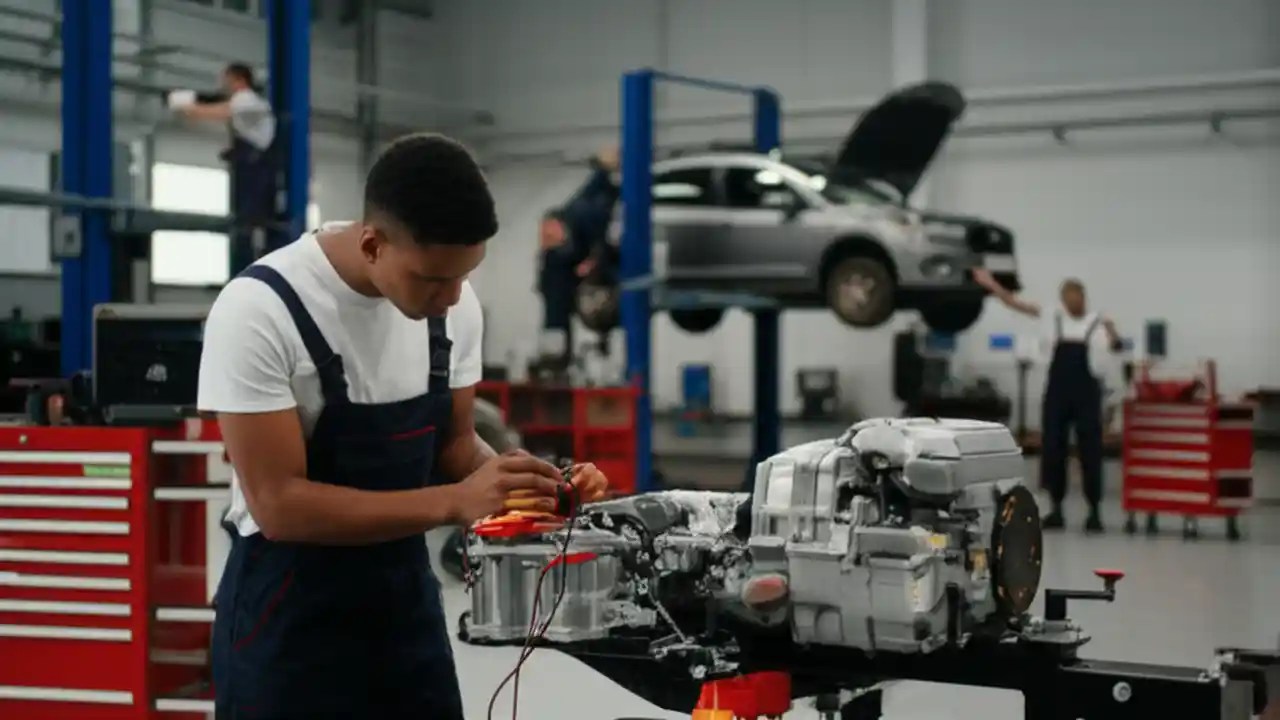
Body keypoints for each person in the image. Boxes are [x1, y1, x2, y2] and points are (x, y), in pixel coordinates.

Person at [197, 133, 609, 719]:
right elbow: (278, 504)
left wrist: (536, 487)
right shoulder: (260, 310)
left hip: (404, 607)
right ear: (372, 244)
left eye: (465, 277)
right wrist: (454, 503)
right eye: (433, 280)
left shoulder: (450, 305)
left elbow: (456, 447)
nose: (452, 298)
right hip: (287, 618)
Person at [972, 268, 1121, 533]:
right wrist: (991, 284)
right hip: (1058, 392)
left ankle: (1094, 512)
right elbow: (1015, 303)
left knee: (1090, 451)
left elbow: (1116, 346)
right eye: (1070, 299)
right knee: (1053, 449)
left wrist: (1113, 333)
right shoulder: (1053, 316)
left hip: (1087, 393)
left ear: (1084, 299)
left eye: (1079, 299)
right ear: (1064, 300)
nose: (1075, 303)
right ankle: (1056, 509)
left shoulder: (1099, 321)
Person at [169, 62, 280, 275]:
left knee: (250, 221)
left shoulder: (247, 99)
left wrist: (186, 106)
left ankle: (251, 268)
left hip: (257, 168)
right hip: (250, 165)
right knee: (245, 219)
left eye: (226, 79)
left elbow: (221, 112)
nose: (223, 84)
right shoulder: (245, 102)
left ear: (239, 80)